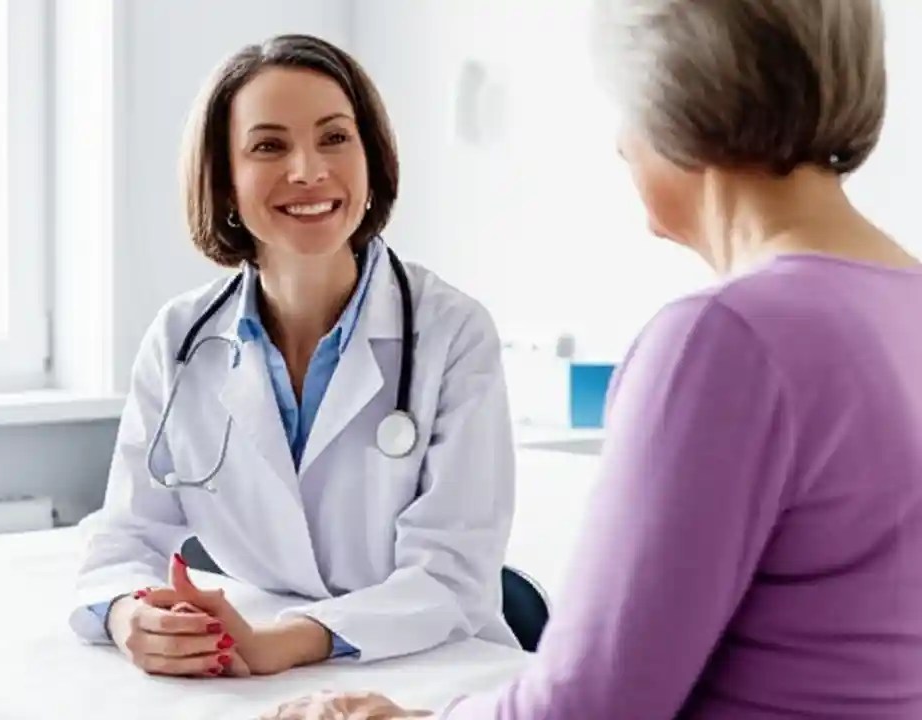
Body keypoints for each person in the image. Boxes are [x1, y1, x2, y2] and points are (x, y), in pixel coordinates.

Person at [264, 0, 922, 717]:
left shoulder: (727, 339)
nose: (619, 142)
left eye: (627, 106)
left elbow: (594, 706)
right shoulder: (902, 306)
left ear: (678, 100)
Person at [68, 33, 520, 678]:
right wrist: (127, 614)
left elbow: (452, 574)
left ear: (373, 160)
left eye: (335, 138)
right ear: (224, 179)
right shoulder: (181, 339)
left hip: (435, 672)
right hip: (255, 671)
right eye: (269, 146)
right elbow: (125, 533)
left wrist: (284, 642)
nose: (307, 170)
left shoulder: (451, 333)